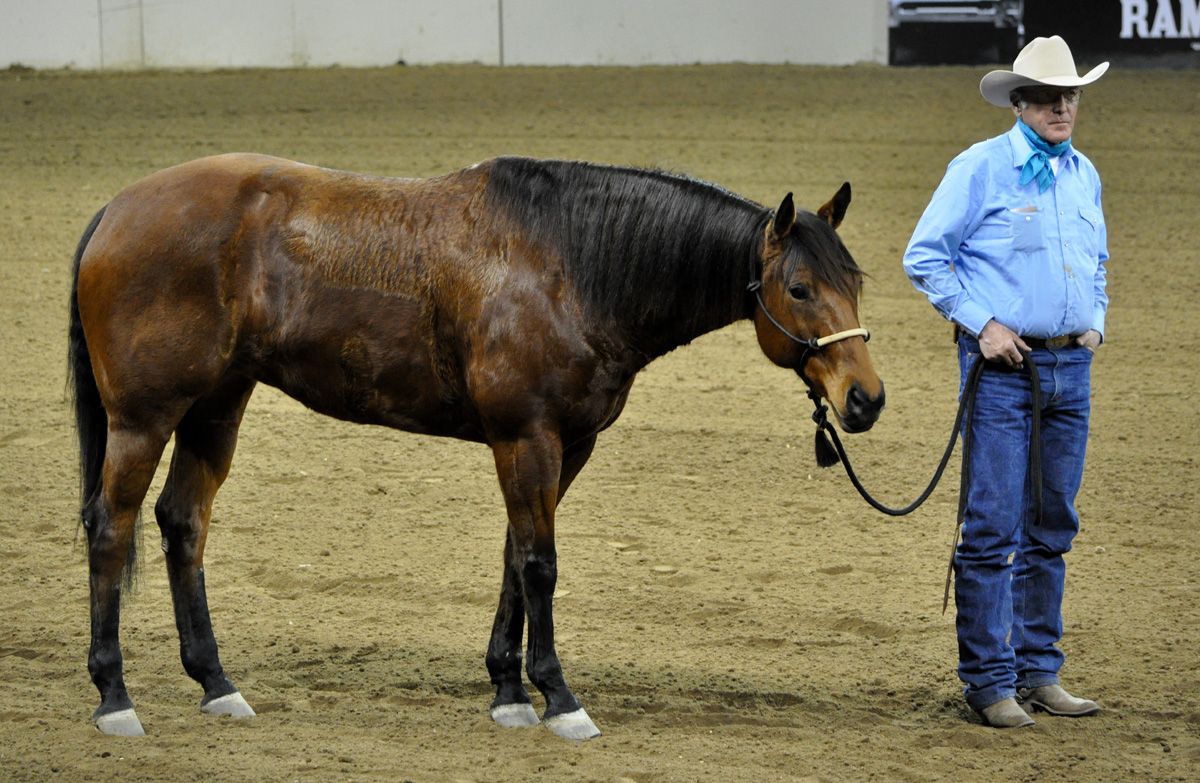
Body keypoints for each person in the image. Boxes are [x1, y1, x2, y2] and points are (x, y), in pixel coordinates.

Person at [902, 36, 1110, 728]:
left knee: (1052, 523)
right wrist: (981, 323)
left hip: (1068, 367)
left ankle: (1038, 669)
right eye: (1048, 96)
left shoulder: (1084, 174)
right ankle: (991, 681)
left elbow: (1098, 257)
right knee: (993, 524)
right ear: (1019, 104)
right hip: (1003, 369)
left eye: (1069, 95)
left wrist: (1095, 321)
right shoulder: (981, 168)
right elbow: (925, 255)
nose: (1061, 107)